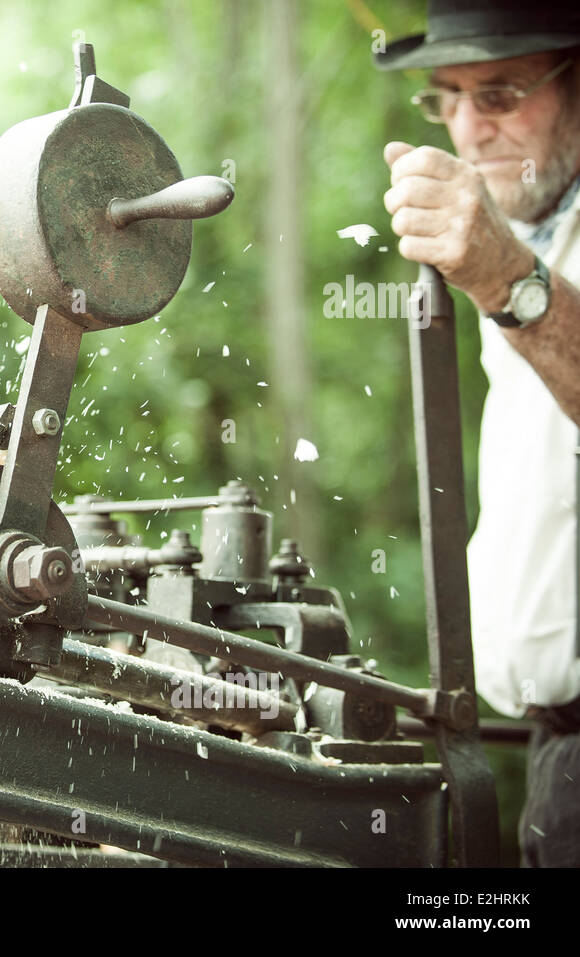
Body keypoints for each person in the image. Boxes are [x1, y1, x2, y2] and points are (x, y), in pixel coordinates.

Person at [375, 1, 580, 866]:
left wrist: (507, 279)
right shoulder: (538, 235)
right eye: (446, 98)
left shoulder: (518, 262)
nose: (468, 126)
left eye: (499, 91)